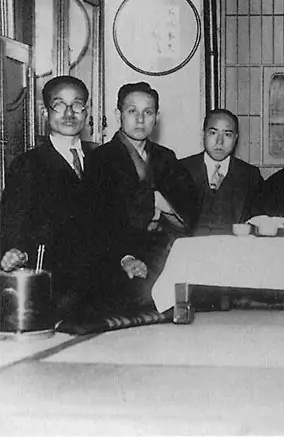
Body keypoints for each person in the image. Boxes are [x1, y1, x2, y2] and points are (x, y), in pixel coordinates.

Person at [86, 82, 199, 313]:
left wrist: (162, 203)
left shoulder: (166, 158)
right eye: (132, 111)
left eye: (148, 112)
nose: (140, 120)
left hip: (159, 255)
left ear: (156, 117)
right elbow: (96, 222)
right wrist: (125, 258)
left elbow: (186, 215)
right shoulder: (100, 159)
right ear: (118, 114)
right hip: (115, 257)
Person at [0, 76, 99, 321]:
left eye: (77, 105)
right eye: (59, 105)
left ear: (87, 112)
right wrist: (15, 250)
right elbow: (13, 220)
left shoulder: (103, 158)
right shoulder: (29, 164)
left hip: (100, 287)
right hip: (52, 287)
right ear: (45, 112)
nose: (69, 113)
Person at [180, 109, 263, 236]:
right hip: (191, 250)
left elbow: (260, 222)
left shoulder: (250, 175)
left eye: (227, 135)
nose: (219, 141)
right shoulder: (181, 169)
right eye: (213, 133)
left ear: (236, 138)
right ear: (203, 134)